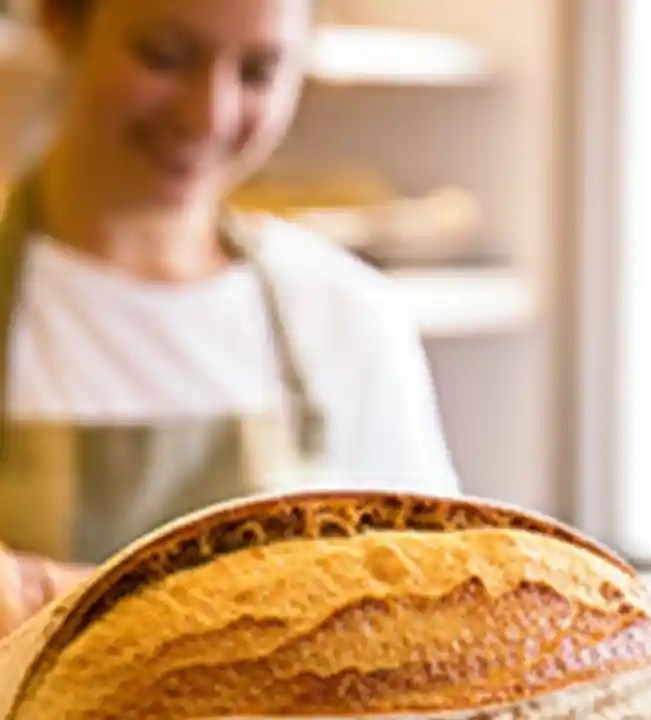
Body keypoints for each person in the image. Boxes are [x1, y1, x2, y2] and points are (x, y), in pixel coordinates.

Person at [0, 0, 462, 632]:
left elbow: (428, 616)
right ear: (59, 20)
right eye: (164, 56)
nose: (207, 114)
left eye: (258, 72)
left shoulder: (344, 316)